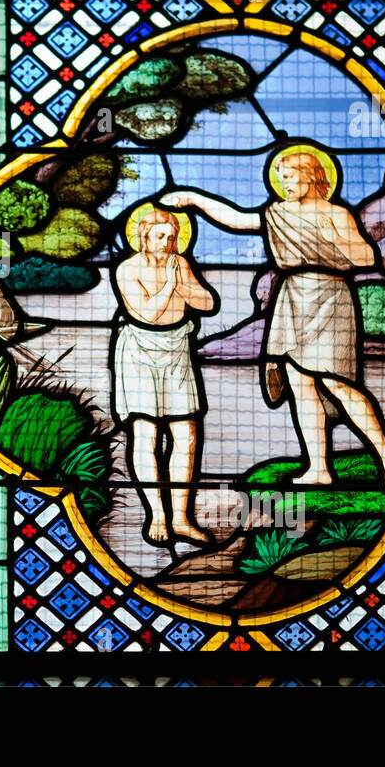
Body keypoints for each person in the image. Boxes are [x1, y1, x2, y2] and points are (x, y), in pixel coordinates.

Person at [162, 147, 385, 487]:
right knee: (300, 385)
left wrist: (335, 236)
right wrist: (195, 200)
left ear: (310, 174)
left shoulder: (337, 214)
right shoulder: (278, 212)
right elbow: (237, 219)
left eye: (290, 177)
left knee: (339, 383)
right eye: (281, 179)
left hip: (330, 297)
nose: (284, 185)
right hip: (291, 298)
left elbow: (366, 258)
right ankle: (318, 468)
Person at [112, 207, 217, 545]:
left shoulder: (180, 264)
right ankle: (157, 514)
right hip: (139, 352)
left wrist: (183, 285)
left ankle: (182, 518)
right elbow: (148, 312)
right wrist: (173, 284)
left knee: (186, 435)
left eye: (172, 237)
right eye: (160, 236)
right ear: (143, 237)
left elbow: (208, 302)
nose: (167, 242)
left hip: (177, 348)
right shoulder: (128, 269)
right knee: (146, 435)